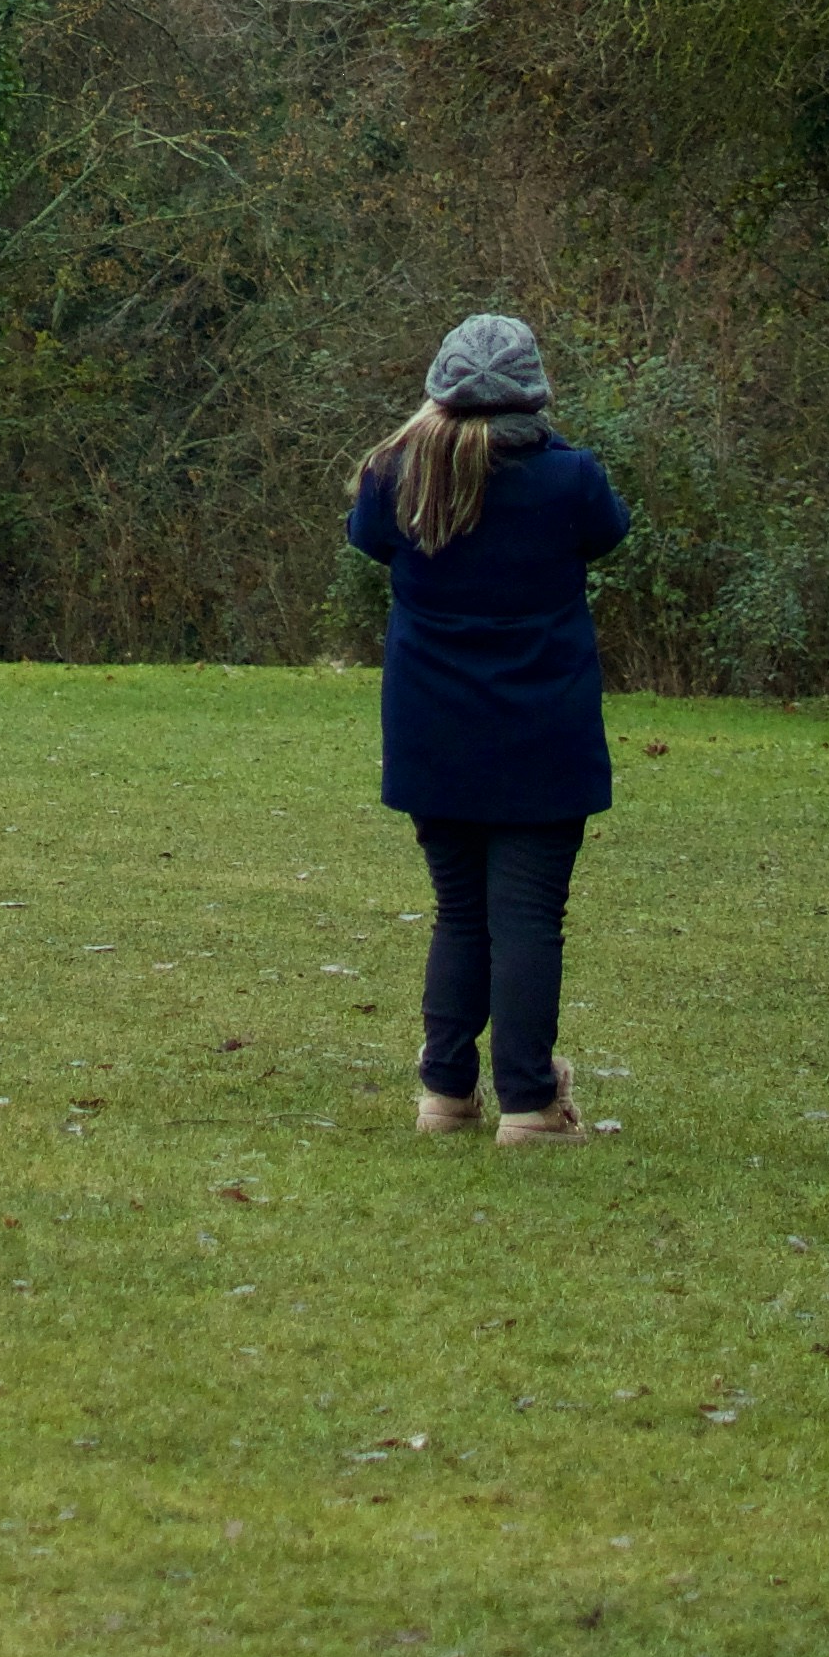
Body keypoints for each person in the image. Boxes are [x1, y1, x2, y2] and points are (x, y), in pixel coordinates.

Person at [344, 309, 631, 1148]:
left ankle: (445, 1093)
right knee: (529, 918)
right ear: (533, 392)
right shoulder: (569, 477)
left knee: (460, 912)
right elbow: (608, 535)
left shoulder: (395, 476)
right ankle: (532, 1106)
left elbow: (367, 543)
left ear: (442, 387)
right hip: (544, 730)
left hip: (434, 729)